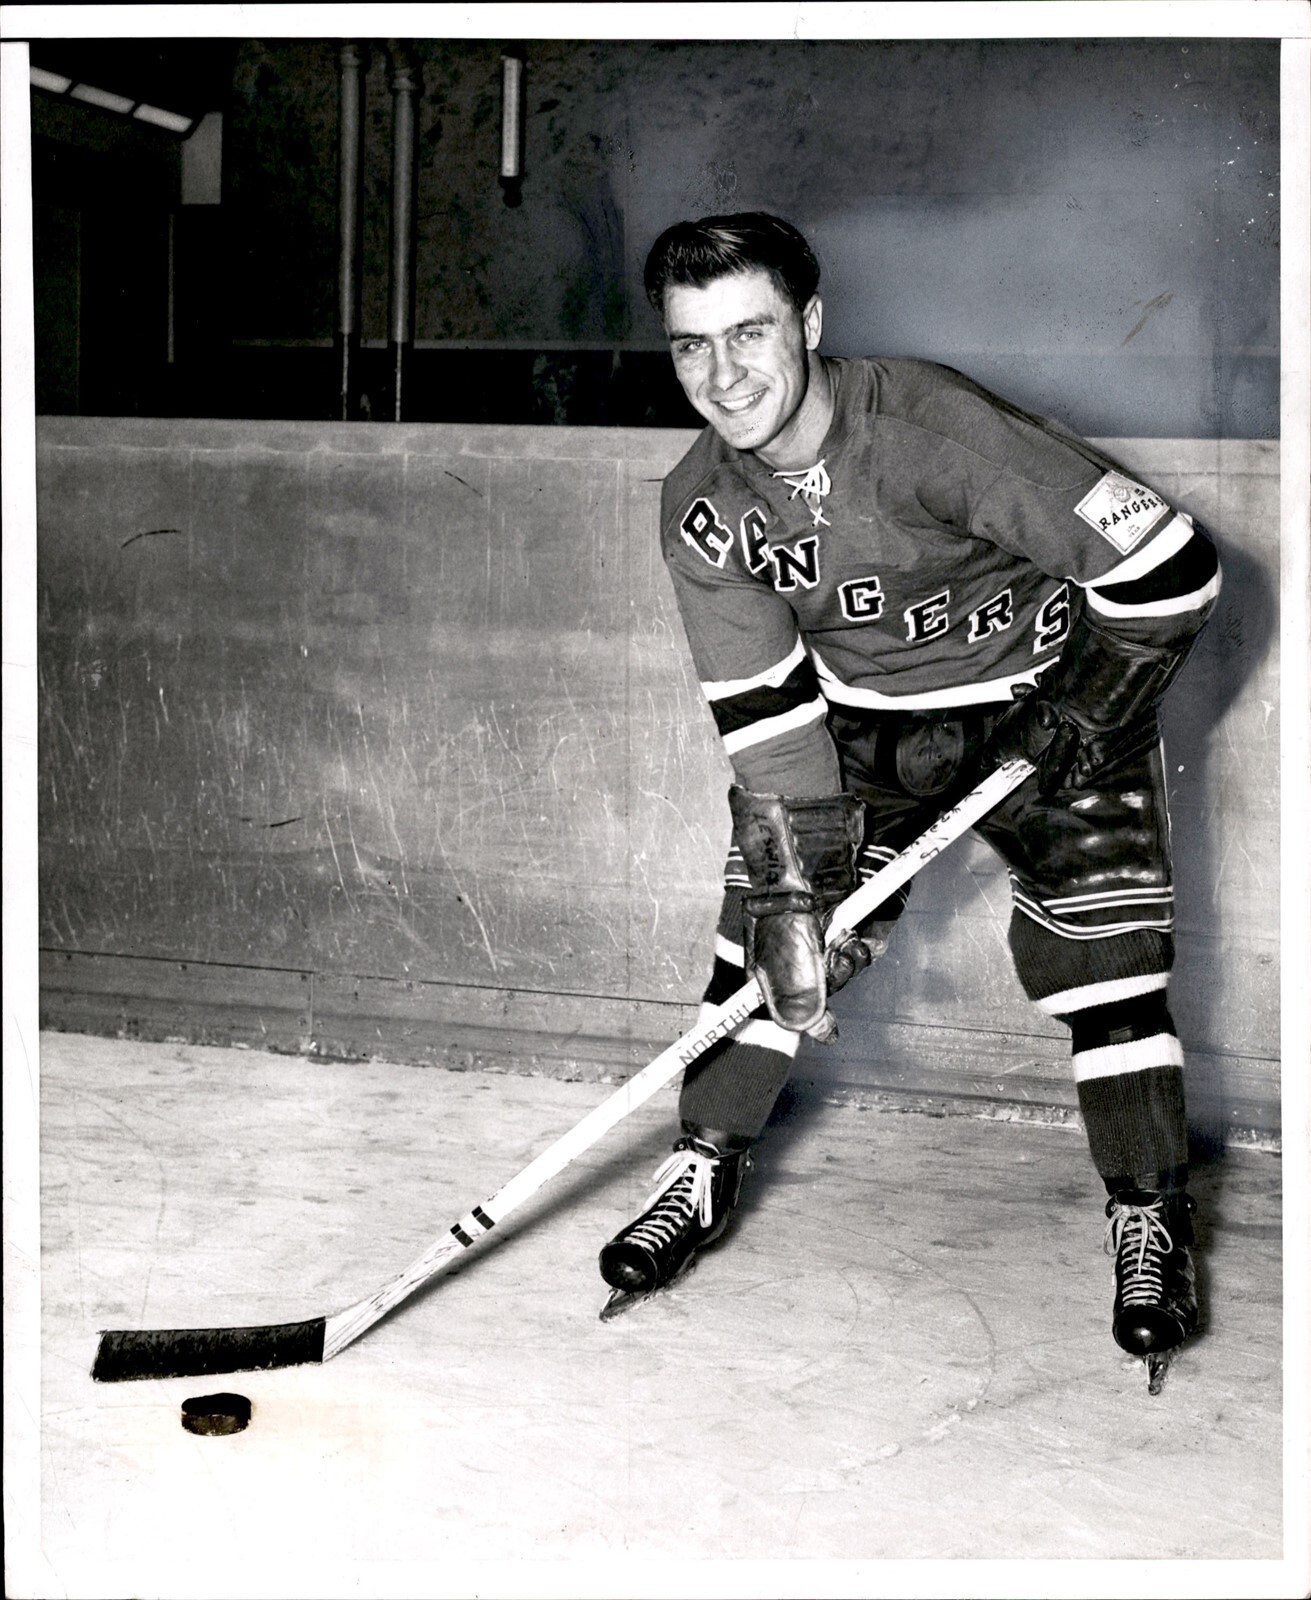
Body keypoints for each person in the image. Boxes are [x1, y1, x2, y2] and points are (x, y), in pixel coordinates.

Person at [597, 211, 1221, 1389]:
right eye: (691, 347)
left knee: (1111, 963)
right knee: (775, 943)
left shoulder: (936, 426)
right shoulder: (703, 506)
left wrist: (1085, 710)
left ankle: (1148, 1213)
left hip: (1055, 701)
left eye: (750, 333)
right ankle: (703, 1161)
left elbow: (1172, 565)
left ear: (812, 325)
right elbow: (770, 717)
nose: (723, 376)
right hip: (869, 730)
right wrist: (799, 874)